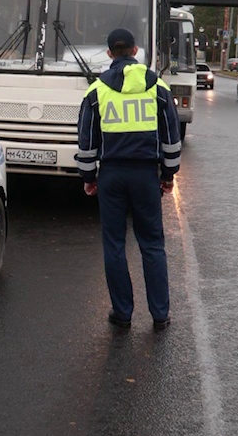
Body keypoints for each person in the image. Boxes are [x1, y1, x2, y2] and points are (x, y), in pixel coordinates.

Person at [75, 28, 181, 332]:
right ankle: (160, 315)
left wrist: (88, 177)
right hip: (146, 175)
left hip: (112, 176)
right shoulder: (158, 88)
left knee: (114, 245)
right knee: (152, 244)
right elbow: (171, 139)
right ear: (135, 51)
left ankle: (122, 314)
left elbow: (86, 142)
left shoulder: (96, 91)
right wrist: (167, 176)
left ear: (110, 53)